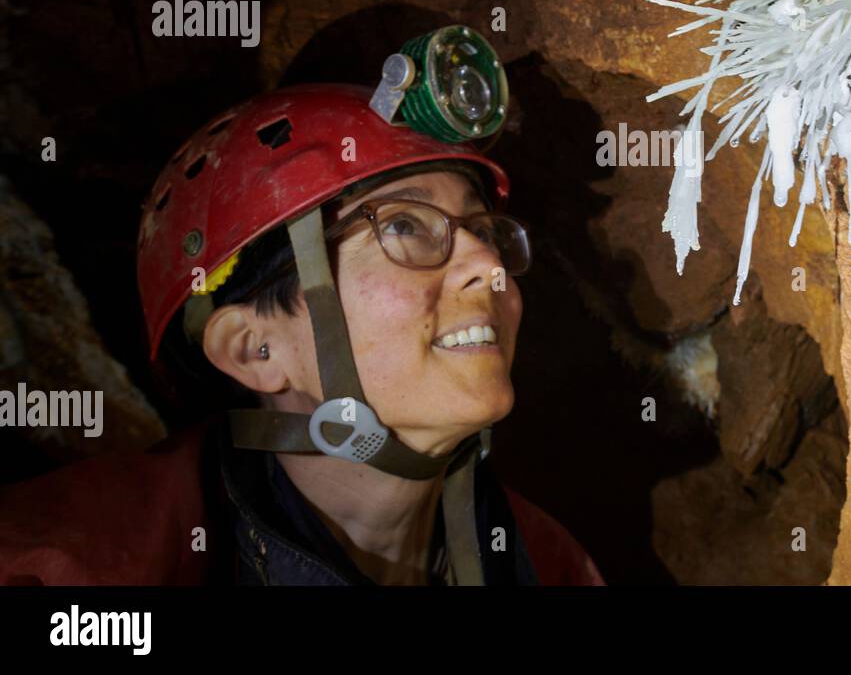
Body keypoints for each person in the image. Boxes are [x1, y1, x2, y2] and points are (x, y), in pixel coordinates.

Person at [0, 47, 604, 586]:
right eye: (401, 225)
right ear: (254, 349)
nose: (486, 262)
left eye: (480, 230)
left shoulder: (547, 564)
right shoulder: (68, 572)